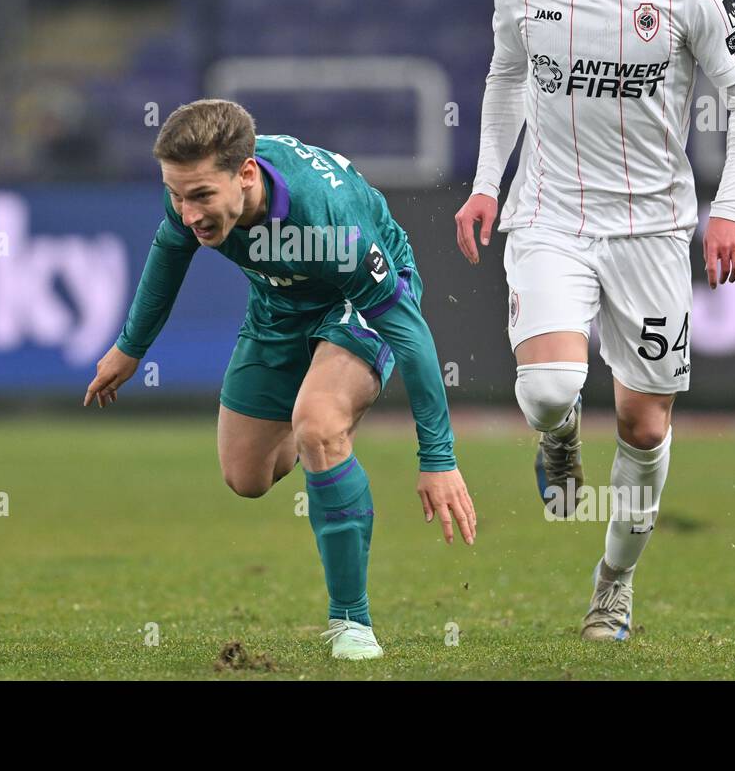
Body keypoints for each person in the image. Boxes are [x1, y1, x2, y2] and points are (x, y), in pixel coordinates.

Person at [454, 0, 735, 641]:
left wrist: (729, 207)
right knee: (552, 388)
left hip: (653, 231)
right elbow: (506, 78)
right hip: (550, 214)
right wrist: (488, 183)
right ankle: (557, 443)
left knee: (644, 426)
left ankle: (612, 585)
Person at [87, 99, 476, 660]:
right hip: (280, 306)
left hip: (355, 303)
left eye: (199, 197)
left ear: (246, 175)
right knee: (247, 475)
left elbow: (409, 331)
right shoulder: (194, 186)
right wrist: (130, 348)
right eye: (175, 195)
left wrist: (438, 458)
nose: (188, 212)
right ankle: (321, 434)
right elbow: (167, 252)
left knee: (318, 426)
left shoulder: (327, 218)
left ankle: (351, 622)